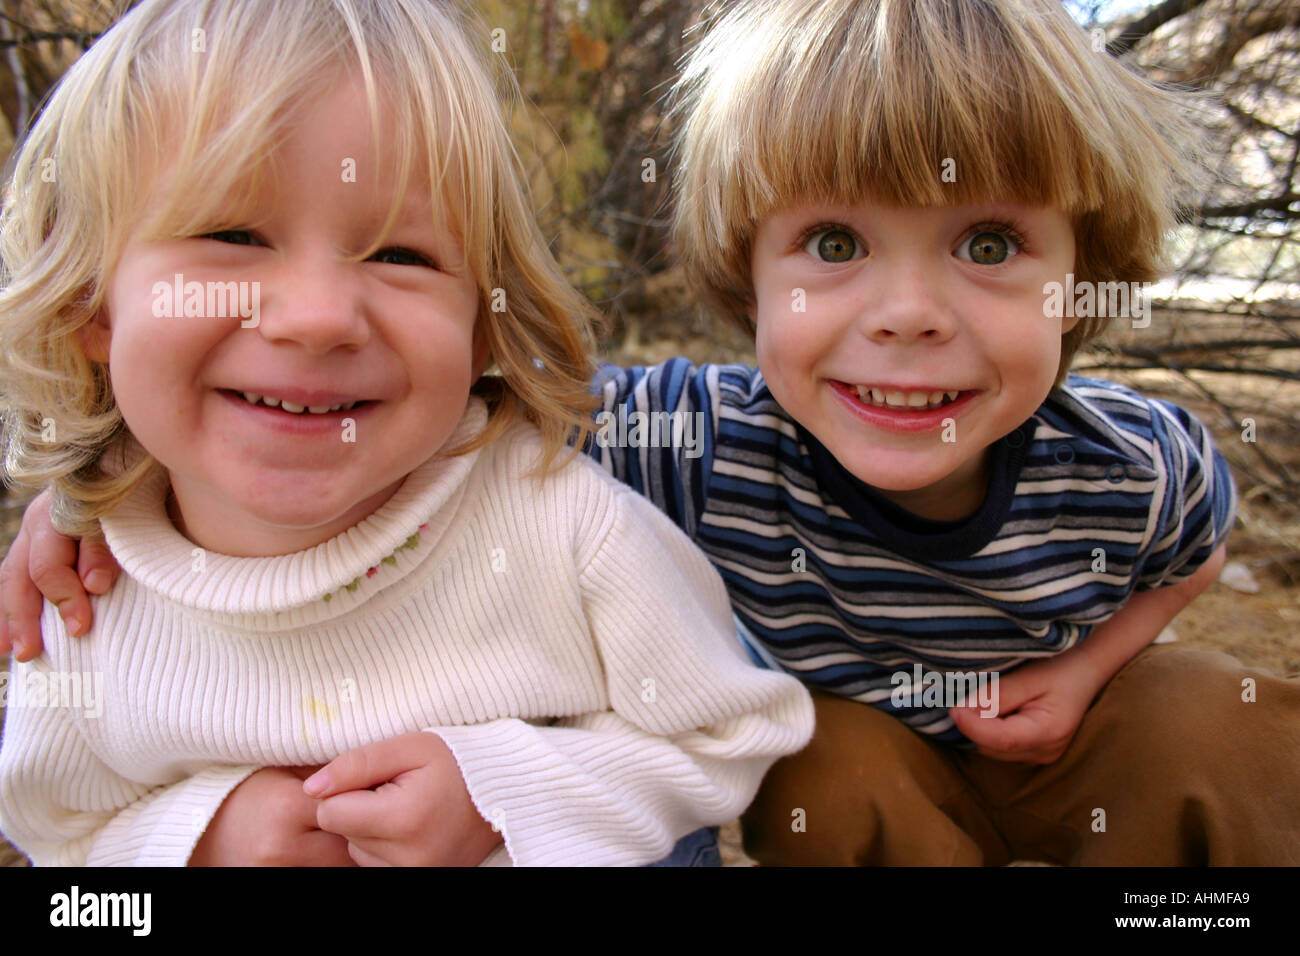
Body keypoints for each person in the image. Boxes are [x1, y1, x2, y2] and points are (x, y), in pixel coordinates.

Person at [10, 0, 1300, 866]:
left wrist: (1092, 665)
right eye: (837, 245)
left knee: (1222, 725)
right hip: (858, 770)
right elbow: (62, 852)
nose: (909, 315)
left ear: (1087, 277)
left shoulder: (1131, 462)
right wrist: (77, 490)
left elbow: (1202, 533)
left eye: (989, 244)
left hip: (1065, 744)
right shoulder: (669, 438)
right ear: (749, 278)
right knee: (828, 765)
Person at [0, 0, 812, 867]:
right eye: (230, 235)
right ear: (92, 304)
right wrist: (202, 840)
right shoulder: (83, 594)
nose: (316, 318)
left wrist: (504, 794)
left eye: (400, 256)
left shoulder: (563, 527)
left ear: (482, 330)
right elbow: (60, 836)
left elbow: (728, 735)